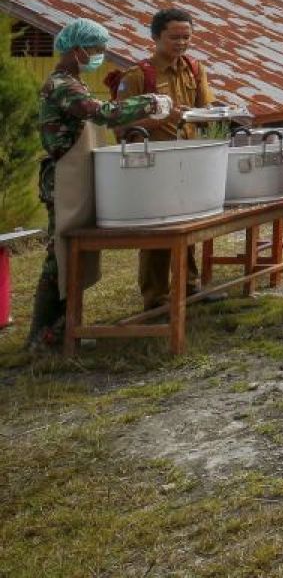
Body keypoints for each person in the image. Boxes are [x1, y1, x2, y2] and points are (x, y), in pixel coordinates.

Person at [29, 19, 171, 351]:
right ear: (75, 49)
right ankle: (43, 335)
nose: (99, 55)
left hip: (74, 176)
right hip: (62, 180)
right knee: (59, 257)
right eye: (95, 49)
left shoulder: (74, 81)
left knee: (70, 257)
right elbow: (101, 113)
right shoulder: (63, 85)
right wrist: (149, 103)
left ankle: (64, 328)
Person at [116, 8, 216, 310]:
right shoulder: (137, 76)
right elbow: (120, 127)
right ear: (157, 37)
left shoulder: (195, 70)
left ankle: (188, 286)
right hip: (152, 164)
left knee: (187, 224)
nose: (181, 43)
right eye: (174, 37)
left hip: (187, 159)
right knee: (157, 230)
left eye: (186, 37)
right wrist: (157, 120)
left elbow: (205, 111)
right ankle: (156, 298)